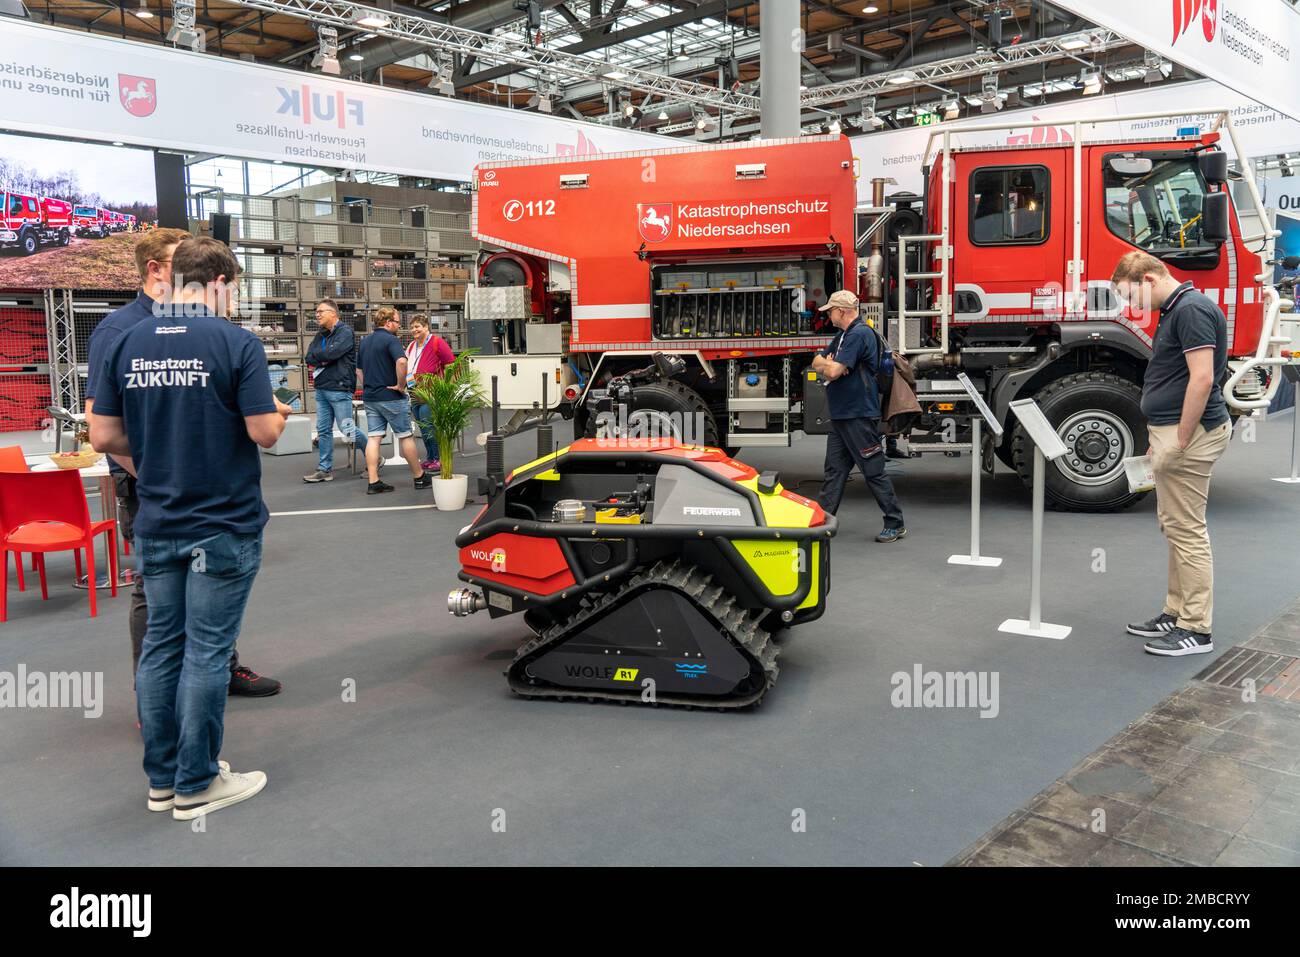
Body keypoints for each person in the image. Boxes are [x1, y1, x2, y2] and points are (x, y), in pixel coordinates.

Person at [90, 236, 292, 819]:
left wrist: (158, 459)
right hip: (223, 521)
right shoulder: (236, 342)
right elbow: (265, 433)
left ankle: (164, 779)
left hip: (156, 518)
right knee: (206, 651)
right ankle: (197, 782)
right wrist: (273, 409)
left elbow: (102, 436)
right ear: (221, 285)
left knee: (161, 647)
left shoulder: (127, 340)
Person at [1112, 251, 1232, 657]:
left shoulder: (1191, 311)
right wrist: (1160, 434)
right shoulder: (1178, 308)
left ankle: (1196, 629)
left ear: (1148, 278)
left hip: (1190, 435)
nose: (1132, 306)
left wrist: (1180, 435)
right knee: (1175, 527)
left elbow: (1202, 377)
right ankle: (1176, 612)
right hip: (1175, 433)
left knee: (1187, 531)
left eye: (1132, 296)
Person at [812, 289, 907, 543]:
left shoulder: (858, 334)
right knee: (834, 470)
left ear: (842, 311)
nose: (828, 315)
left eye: (830, 310)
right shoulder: (844, 335)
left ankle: (895, 523)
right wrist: (828, 364)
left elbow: (831, 371)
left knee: (873, 470)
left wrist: (830, 365)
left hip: (858, 414)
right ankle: (822, 522)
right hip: (844, 415)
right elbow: (818, 362)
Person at [357, 307, 431, 494]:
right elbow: (402, 362)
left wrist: (369, 386)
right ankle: (419, 476)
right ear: (388, 322)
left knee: (374, 437)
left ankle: (373, 481)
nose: (399, 326)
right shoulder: (391, 340)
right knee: (405, 435)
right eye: (397, 322)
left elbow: (358, 370)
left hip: (370, 397)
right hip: (391, 397)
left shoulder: (365, 341)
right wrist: (400, 385)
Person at [302, 298, 363, 483]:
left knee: (347, 429)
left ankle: (374, 456)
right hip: (321, 388)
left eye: (321, 311)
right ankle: (324, 469)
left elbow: (332, 354)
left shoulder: (345, 332)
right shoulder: (321, 335)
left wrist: (322, 356)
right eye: (317, 312)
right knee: (323, 430)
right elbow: (308, 357)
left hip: (339, 388)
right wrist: (323, 357)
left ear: (333, 313)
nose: (317, 315)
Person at [404, 314, 455, 471]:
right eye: (412, 327)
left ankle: (438, 459)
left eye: (418, 326)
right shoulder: (412, 345)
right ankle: (430, 458)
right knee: (422, 427)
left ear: (426, 327)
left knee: (429, 425)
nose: (414, 330)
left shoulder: (437, 342)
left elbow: (450, 366)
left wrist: (447, 389)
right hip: (414, 392)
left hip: (431, 393)